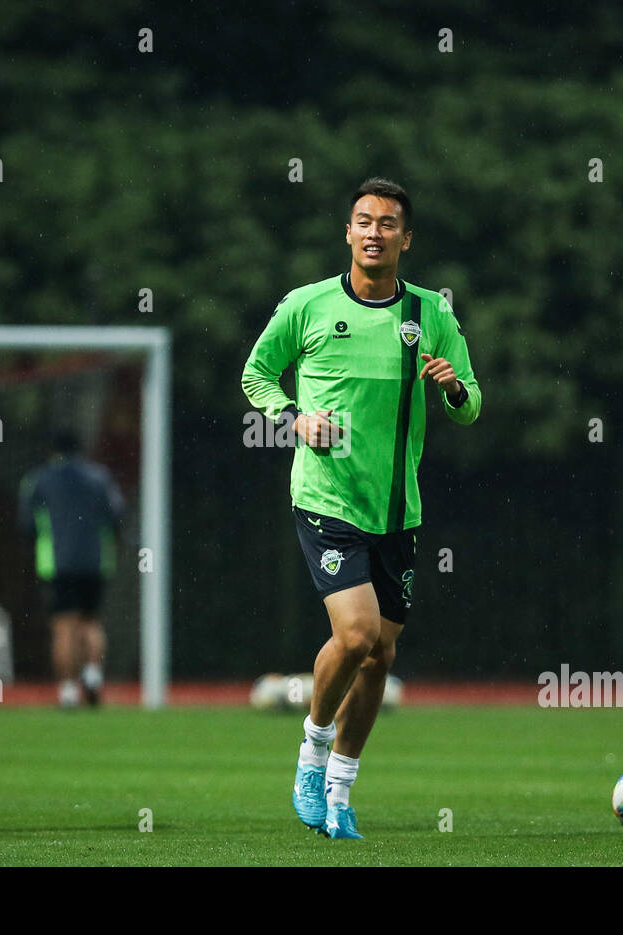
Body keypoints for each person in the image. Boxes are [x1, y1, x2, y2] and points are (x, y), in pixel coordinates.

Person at [241, 177, 481, 838]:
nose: (373, 233)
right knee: (357, 636)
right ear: (348, 232)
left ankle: (342, 792)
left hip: (397, 508)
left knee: (381, 659)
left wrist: (454, 387)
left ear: (406, 238)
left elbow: (472, 406)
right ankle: (311, 753)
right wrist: (291, 415)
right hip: (326, 498)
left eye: (387, 224)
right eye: (362, 221)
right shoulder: (307, 305)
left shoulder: (432, 313)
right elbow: (256, 373)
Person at [19, 431, 124, 707]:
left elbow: (26, 524)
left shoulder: (39, 479)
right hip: (95, 561)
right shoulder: (100, 477)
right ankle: (91, 675)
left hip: (58, 563)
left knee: (64, 627)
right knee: (91, 622)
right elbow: (116, 515)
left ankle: (67, 691)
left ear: (53, 451)